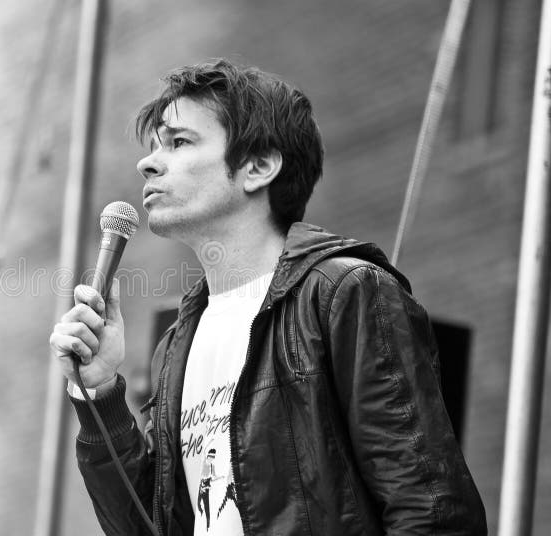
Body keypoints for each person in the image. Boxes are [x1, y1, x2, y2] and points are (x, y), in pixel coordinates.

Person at [49, 59, 486, 535]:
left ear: (258, 167)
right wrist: (99, 389)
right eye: (156, 145)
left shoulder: (345, 294)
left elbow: (432, 511)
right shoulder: (178, 342)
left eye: (178, 142)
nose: (148, 162)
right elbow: (149, 527)